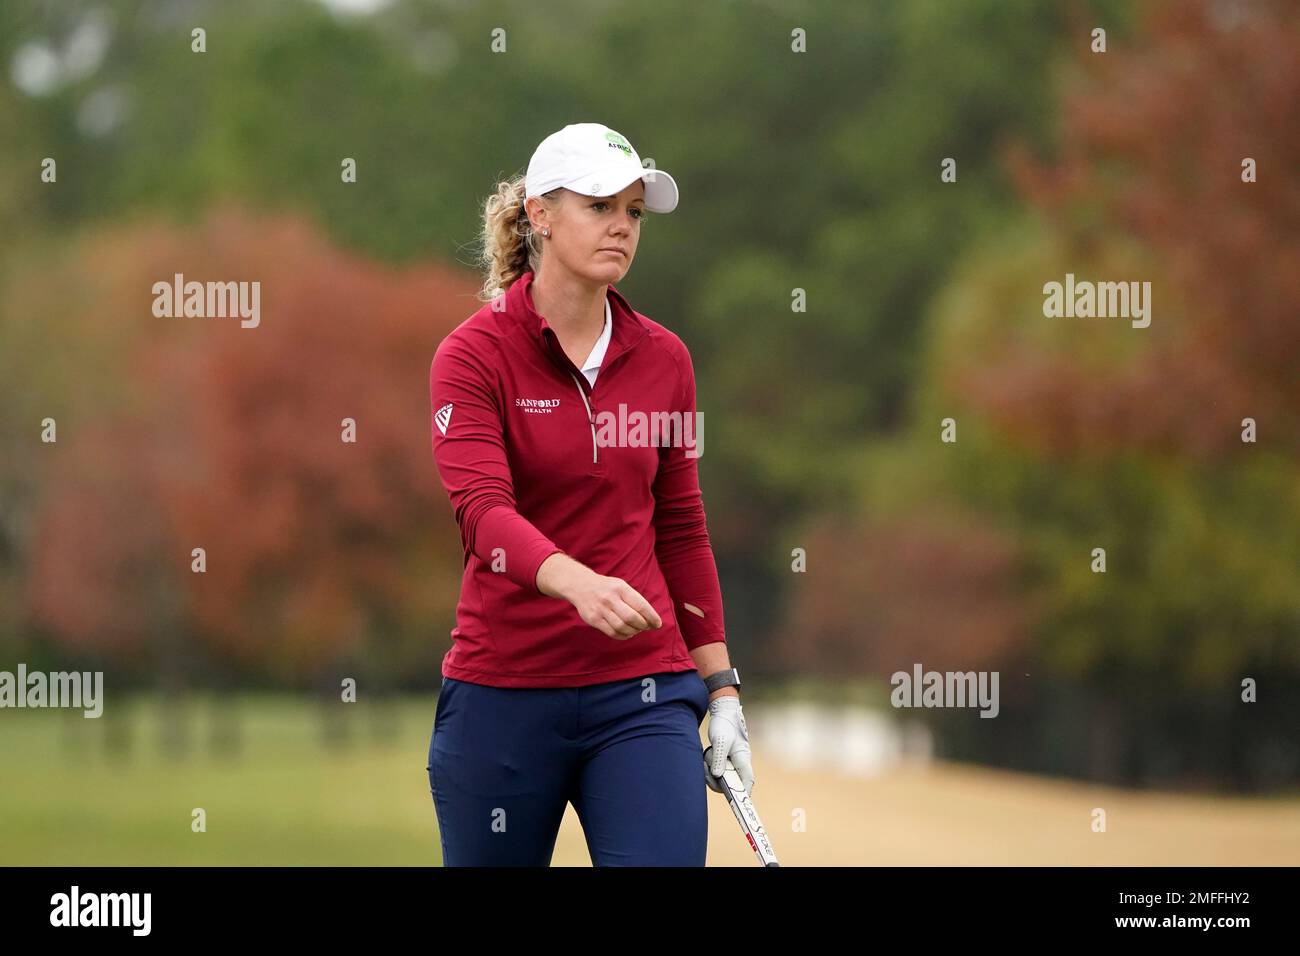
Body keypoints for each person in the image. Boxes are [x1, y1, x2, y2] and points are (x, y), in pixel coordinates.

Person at [426, 122, 755, 867]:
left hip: (643, 696)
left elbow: (681, 530)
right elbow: (483, 514)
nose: (621, 226)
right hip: (504, 694)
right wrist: (579, 585)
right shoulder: (473, 357)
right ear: (539, 213)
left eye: (634, 211)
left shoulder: (665, 359)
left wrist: (723, 690)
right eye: (600, 205)